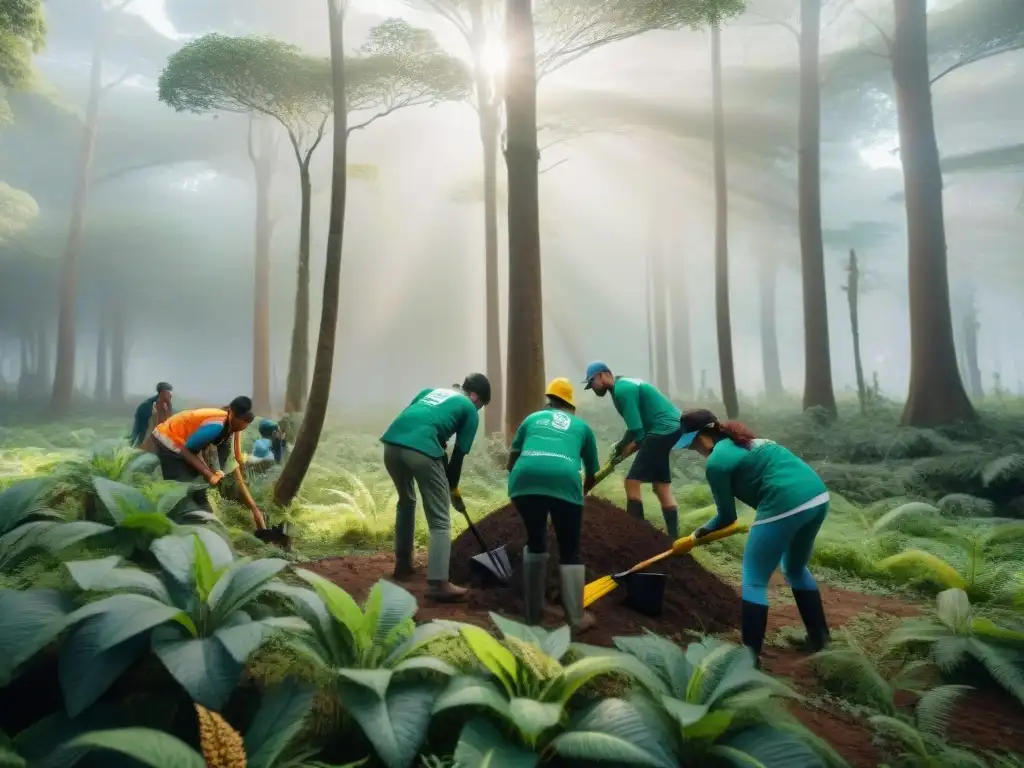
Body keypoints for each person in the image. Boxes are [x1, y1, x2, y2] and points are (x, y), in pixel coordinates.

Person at [678, 408, 831, 666]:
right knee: (794, 568)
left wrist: (695, 536)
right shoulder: (746, 440)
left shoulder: (716, 463)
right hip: (817, 497)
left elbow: (727, 517)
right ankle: (820, 638)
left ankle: (749, 659)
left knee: (754, 579)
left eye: (693, 444)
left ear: (704, 436)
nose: (695, 450)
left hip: (785, 502)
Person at [380, 373, 491, 602]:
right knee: (440, 519)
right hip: (420, 449)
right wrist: (452, 489)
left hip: (391, 445)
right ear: (474, 396)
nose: (477, 410)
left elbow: (412, 420)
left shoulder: (429, 392)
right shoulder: (469, 409)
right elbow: (458, 456)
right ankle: (438, 583)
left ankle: (402, 566)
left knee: (407, 501)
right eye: (480, 405)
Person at [508, 377, 600, 633]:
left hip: (524, 481)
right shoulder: (581, 427)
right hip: (565, 482)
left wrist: (519, 484)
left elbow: (513, 457)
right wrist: (580, 492)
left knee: (536, 541)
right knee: (569, 548)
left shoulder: (531, 419)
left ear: (548, 401)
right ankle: (575, 618)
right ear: (570, 405)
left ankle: (532, 615)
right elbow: (592, 472)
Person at [582, 361, 683, 539]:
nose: (592, 387)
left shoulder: (622, 391)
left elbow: (639, 433)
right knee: (661, 486)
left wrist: (628, 449)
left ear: (603, 375)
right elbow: (635, 428)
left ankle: (636, 536)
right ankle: (674, 539)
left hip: (661, 429)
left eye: (592, 382)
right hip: (671, 428)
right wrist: (621, 445)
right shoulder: (623, 385)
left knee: (632, 482)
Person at [152, 396, 268, 532]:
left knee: (198, 485)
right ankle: (177, 526)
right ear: (234, 416)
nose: (239, 431)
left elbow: (219, 448)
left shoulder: (229, 425)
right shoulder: (216, 426)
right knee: (182, 487)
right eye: (240, 426)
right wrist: (208, 474)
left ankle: (206, 520)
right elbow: (188, 451)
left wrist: (217, 471)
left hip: (184, 444)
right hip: (169, 439)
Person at [130, 382, 174, 447]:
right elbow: (143, 429)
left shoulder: (166, 406)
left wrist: (169, 406)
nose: (170, 395)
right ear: (162, 393)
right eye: (168, 393)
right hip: (146, 436)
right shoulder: (148, 407)